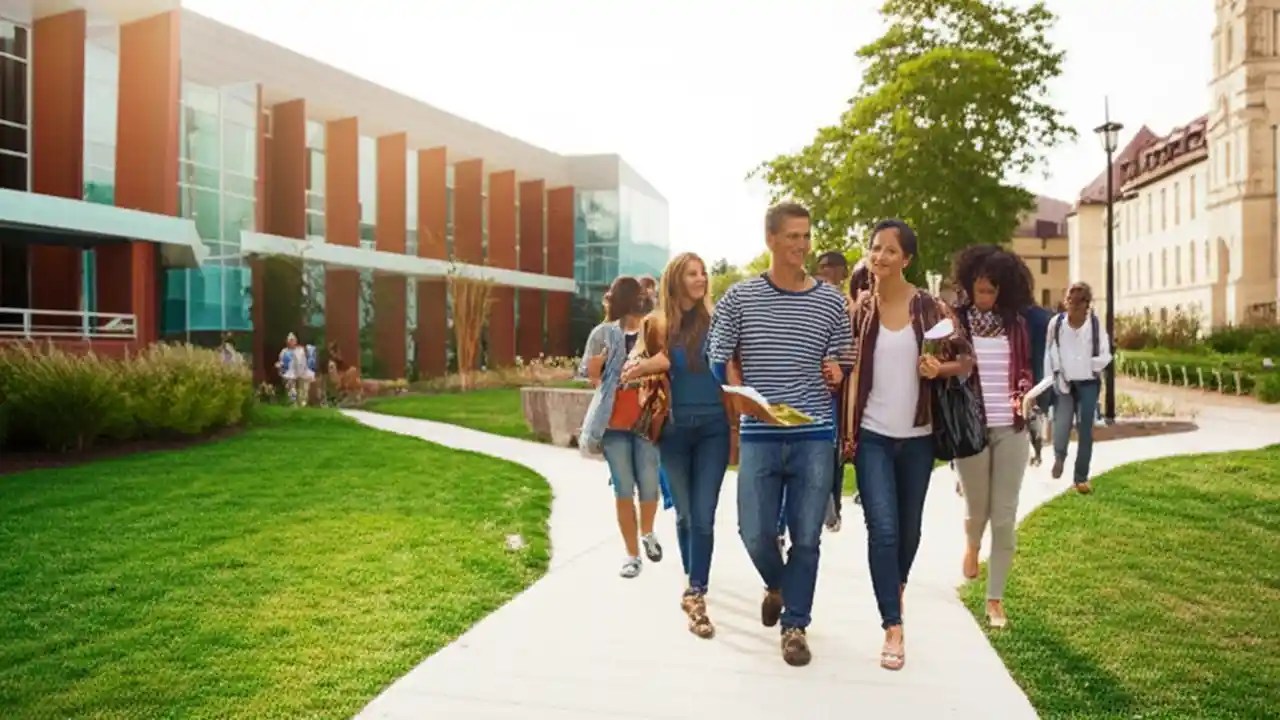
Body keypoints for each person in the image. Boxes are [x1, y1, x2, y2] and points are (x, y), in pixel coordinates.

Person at [708, 201, 852, 667]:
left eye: (806, 236)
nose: (802, 245)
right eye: (792, 236)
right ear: (770, 239)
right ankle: (779, 585)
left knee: (806, 537)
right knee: (753, 533)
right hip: (759, 431)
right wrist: (733, 389)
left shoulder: (831, 301)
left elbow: (843, 360)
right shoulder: (740, 298)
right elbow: (718, 353)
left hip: (813, 433)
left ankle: (795, 627)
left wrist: (836, 371)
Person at [843, 219, 972, 671]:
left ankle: (894, 586)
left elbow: (965, 360)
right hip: (873, 436)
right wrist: (835, 373)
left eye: (890, 250)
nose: (880, 256)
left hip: (918, 438)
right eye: (875, 248)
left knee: (909, 529)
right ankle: (893, 626)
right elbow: (842, 360)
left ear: (907, 259)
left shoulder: (931, 309)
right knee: (883, 528)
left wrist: (940, 369)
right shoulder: (858, 310)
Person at [622, 252, 730, 639]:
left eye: (703, 273)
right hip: (673, 431)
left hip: (714, 430)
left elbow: (733, 362)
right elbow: (638, 360)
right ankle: (693, 578)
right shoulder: (657, 324)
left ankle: (696, 591)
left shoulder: (717, 322)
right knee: (684, 515)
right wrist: (639, 364)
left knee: (703, 515)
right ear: (675, 280)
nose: (701, 279)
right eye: (692, 273)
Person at [950, 245, 1037, 630]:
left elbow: (1024, 371)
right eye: (979, 289)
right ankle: (971, 544)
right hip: (972, 430)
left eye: (992, 290)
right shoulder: (956, 324)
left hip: (1011, 429)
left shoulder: (1015, 325)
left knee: (1003, 517)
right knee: (977, 512)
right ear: (969, 287)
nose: (985, 297)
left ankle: (995, 599)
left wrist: (1025, 394)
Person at [583, 276, 665, 578]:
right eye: (638, 293)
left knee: (649, 483)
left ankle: (648, 533)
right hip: (614, 423)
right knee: (622, 487)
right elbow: (589, 374)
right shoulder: (602, 333)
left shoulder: (655, 330)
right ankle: (632, 556)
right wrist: (599, 367)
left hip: (646, 421)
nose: (644, 297)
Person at [1045, 282, 1113, 494]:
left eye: (1079, 301)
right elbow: (1050, 352)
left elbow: (1105, 354)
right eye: (1070, 300)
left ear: (1087, 304)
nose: (1073, 305)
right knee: (1062, 422)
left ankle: (1080, 477)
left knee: (1085, 428)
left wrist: (1090, 366)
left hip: (1088, 383)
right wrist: (1055, 377)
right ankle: (1059, 457)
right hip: (1064, 381)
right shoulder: (1056, 324)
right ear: (1065, 302)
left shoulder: (1094, 325)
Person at [276, 332, 315, 406]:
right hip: (290, 375)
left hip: (302, 374)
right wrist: (280, 366)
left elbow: (306, 361)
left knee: (303, 390)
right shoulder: (284, 352)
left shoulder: (301, 350)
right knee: (291, 391)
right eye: (290, 340)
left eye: (293, 340)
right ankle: (293, 403)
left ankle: (303, 404)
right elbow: (282, 362)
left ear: (296, 341)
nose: (291, 341)